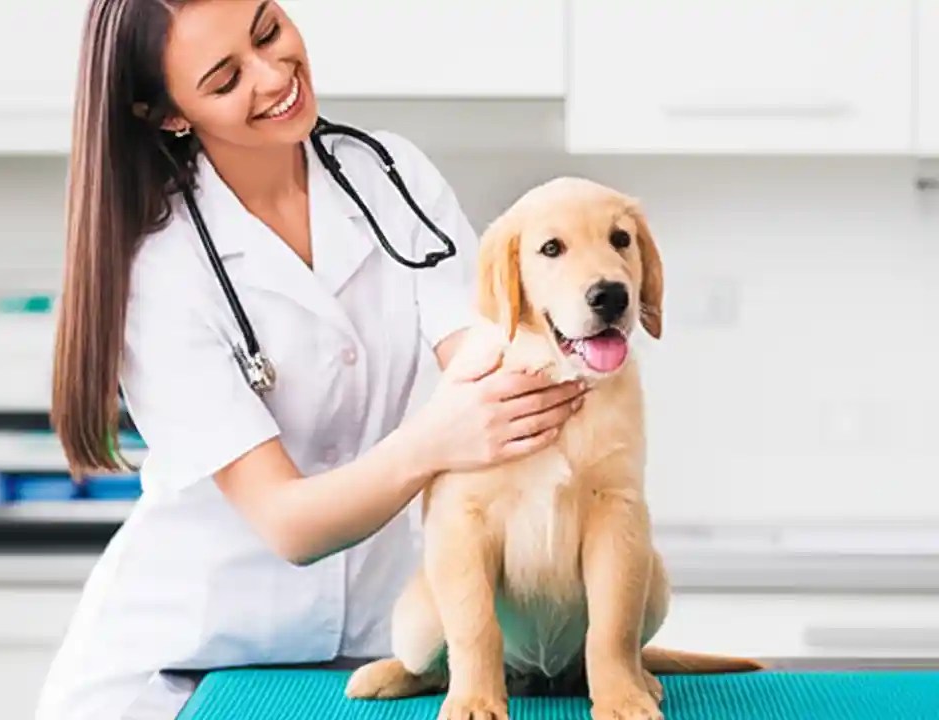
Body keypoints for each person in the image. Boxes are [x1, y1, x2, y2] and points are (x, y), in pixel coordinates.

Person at [36, 1, 587, 717]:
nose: (273, 75)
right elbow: (289, 522)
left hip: (372, 652)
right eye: (226, 78)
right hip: (186, 665)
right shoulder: (160, 266)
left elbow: (482, 358)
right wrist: (435, 441)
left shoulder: (389, 176)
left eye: (268, 30)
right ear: (169, 113)